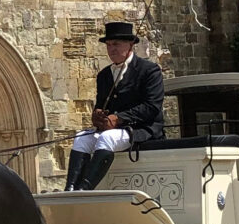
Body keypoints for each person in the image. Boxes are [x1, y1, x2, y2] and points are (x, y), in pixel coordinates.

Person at [64, 21, 165, 190]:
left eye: (116, 44)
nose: (112, 49)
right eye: (109, 45)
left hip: (141, 129)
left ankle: (86, 188)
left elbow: (151, 106)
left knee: (106, 138)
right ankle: (71, 188)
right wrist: (98, 116)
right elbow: (102, 104)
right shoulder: (104, 75)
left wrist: (118, 119)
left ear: (130, 45)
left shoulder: (149, 70)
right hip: (113, 129)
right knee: (81, 137)